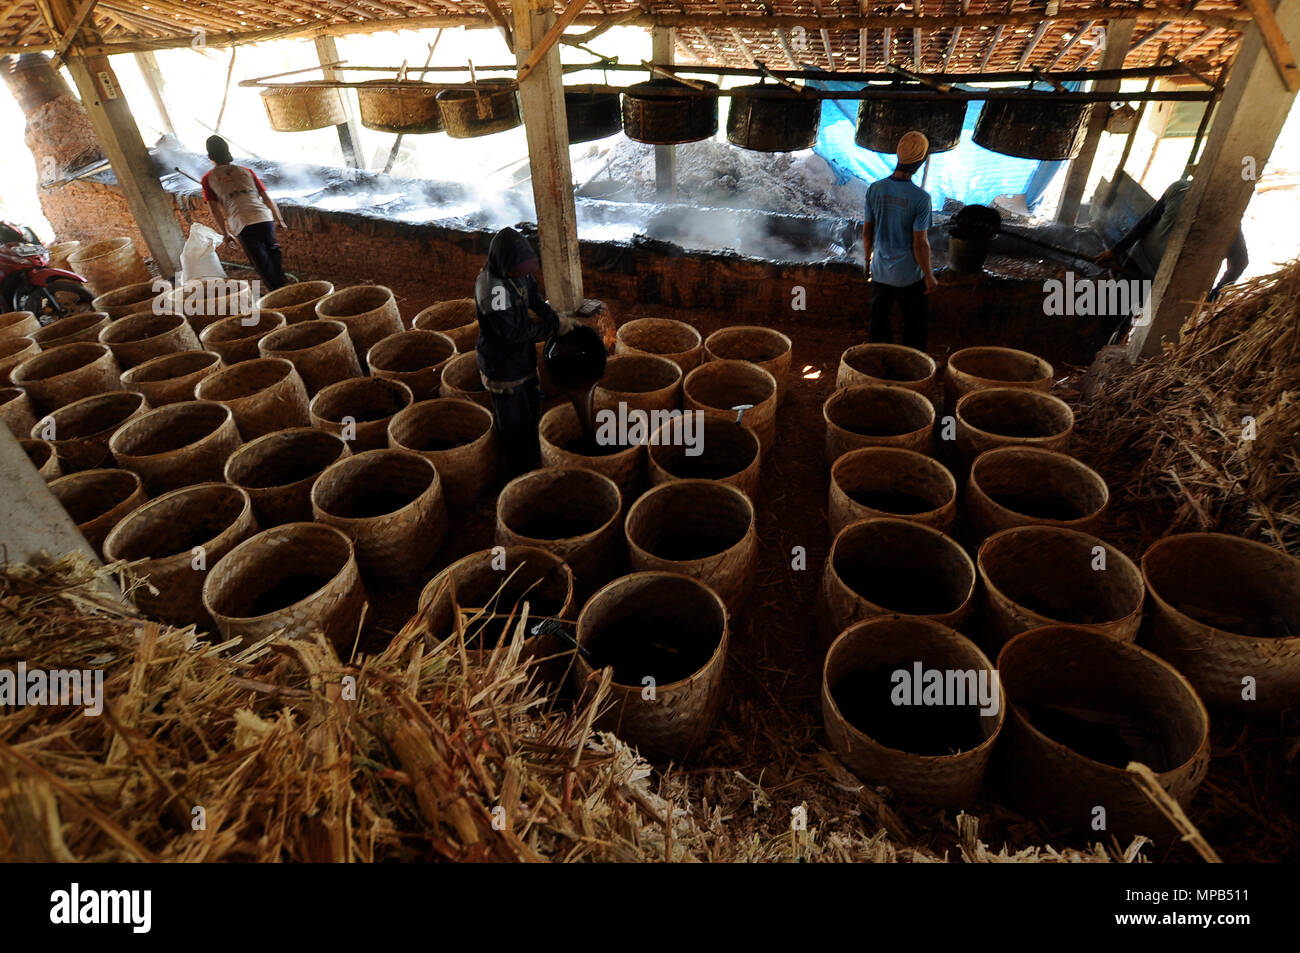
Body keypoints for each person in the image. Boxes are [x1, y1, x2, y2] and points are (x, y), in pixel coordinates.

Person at [475, 227, 577, 475]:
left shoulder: (518, 272)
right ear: (506, 264)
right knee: (512, 419)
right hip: (502, 365)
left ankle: (532, 453)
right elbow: (513, 333)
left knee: (531, 406)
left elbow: (533, 297)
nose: (524, 275)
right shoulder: (493, 289)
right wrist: (551, 327)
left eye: (527, 271)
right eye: (519, 271)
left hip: (520, 358)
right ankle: (518, 470)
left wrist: (552, 316)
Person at [863, 130, 939, 351]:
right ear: (920, 162)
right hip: (909, 277)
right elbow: (920, 244)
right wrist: (929, 275)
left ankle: (878, 365)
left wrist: (868, 263)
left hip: (880, 272)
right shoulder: (921, 199)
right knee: (914, 327)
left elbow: (868, 232)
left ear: (898, 157)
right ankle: (909, 370)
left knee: (878, 326)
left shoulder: (875, 189)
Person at [201, 135, 288, 290]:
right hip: (263, 217)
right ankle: (283, 285)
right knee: (273, 251)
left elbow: (214, 210)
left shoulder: (208, 179)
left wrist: (225, 233)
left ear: (209, 156)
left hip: (242, 223)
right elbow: (266, 197)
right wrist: (279, 219)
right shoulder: (246, 171)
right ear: (228, 151)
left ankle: (278, 292)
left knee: (261, 261)